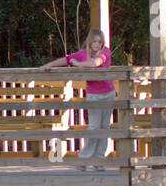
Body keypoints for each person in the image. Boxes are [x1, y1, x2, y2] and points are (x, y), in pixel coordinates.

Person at [42, 27, 115, 171]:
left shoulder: (105, 51)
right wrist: (48, 65)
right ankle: (84, 159)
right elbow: (66, 59)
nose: (97, 44)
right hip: (94, 94)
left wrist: (79, 64)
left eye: (99, 42)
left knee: (104, 128)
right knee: (94, 127)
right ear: (90, 42)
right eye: (94, 41)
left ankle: (99, 160)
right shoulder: (82, 54)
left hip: (109, 93)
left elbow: (96, 63)